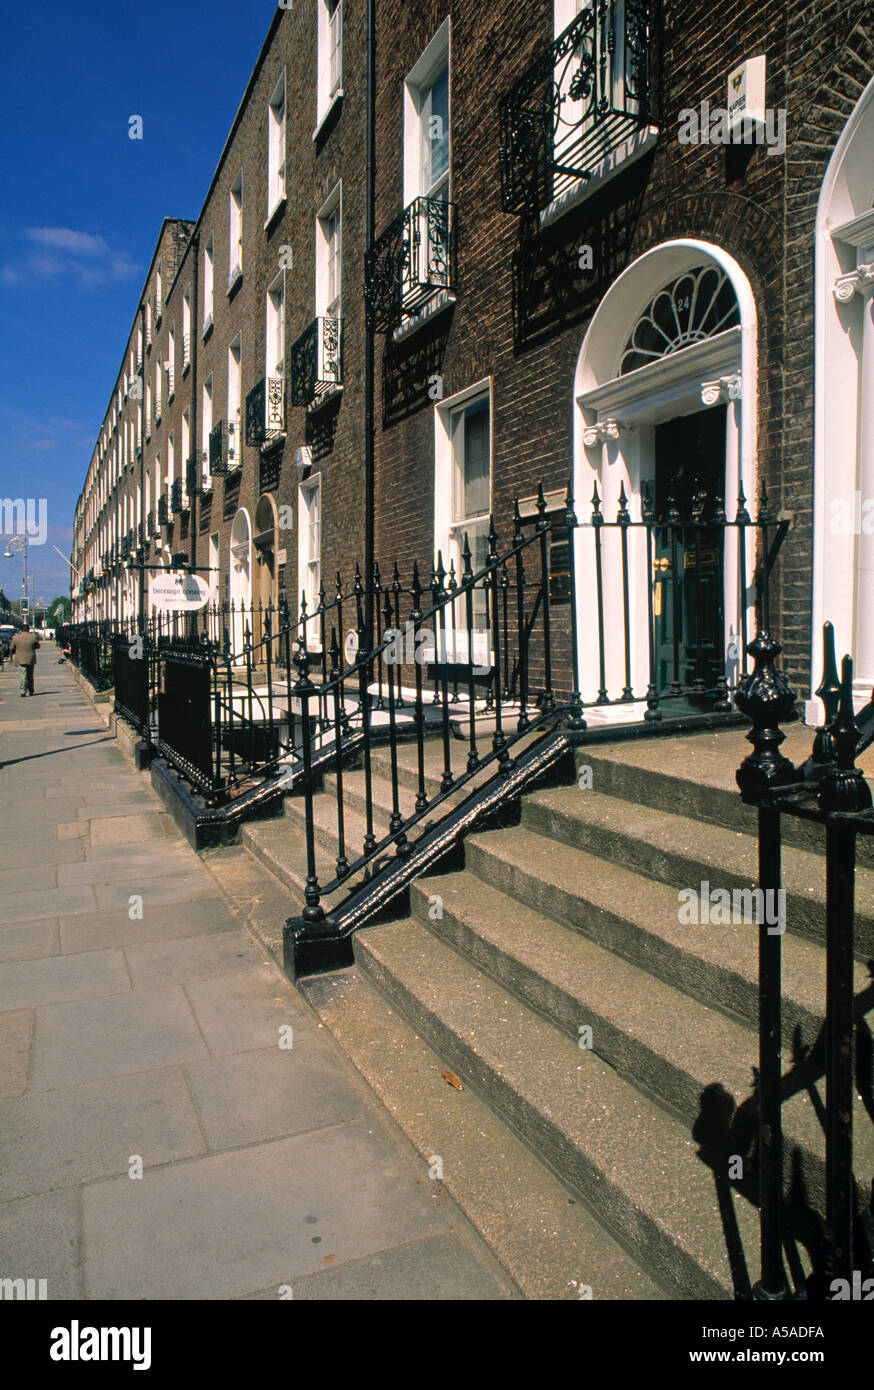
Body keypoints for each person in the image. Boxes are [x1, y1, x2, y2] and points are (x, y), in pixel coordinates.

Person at [10, 624, 40, 696]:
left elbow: (11, 648)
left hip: (20, 659)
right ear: (28, 629)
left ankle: (23, 691)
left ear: (21, 630)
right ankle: (31, 690)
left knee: (22, 675)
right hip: (30, 658)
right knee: (30, 675)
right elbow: (37, 646)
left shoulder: (15, 638)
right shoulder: (33, 637)